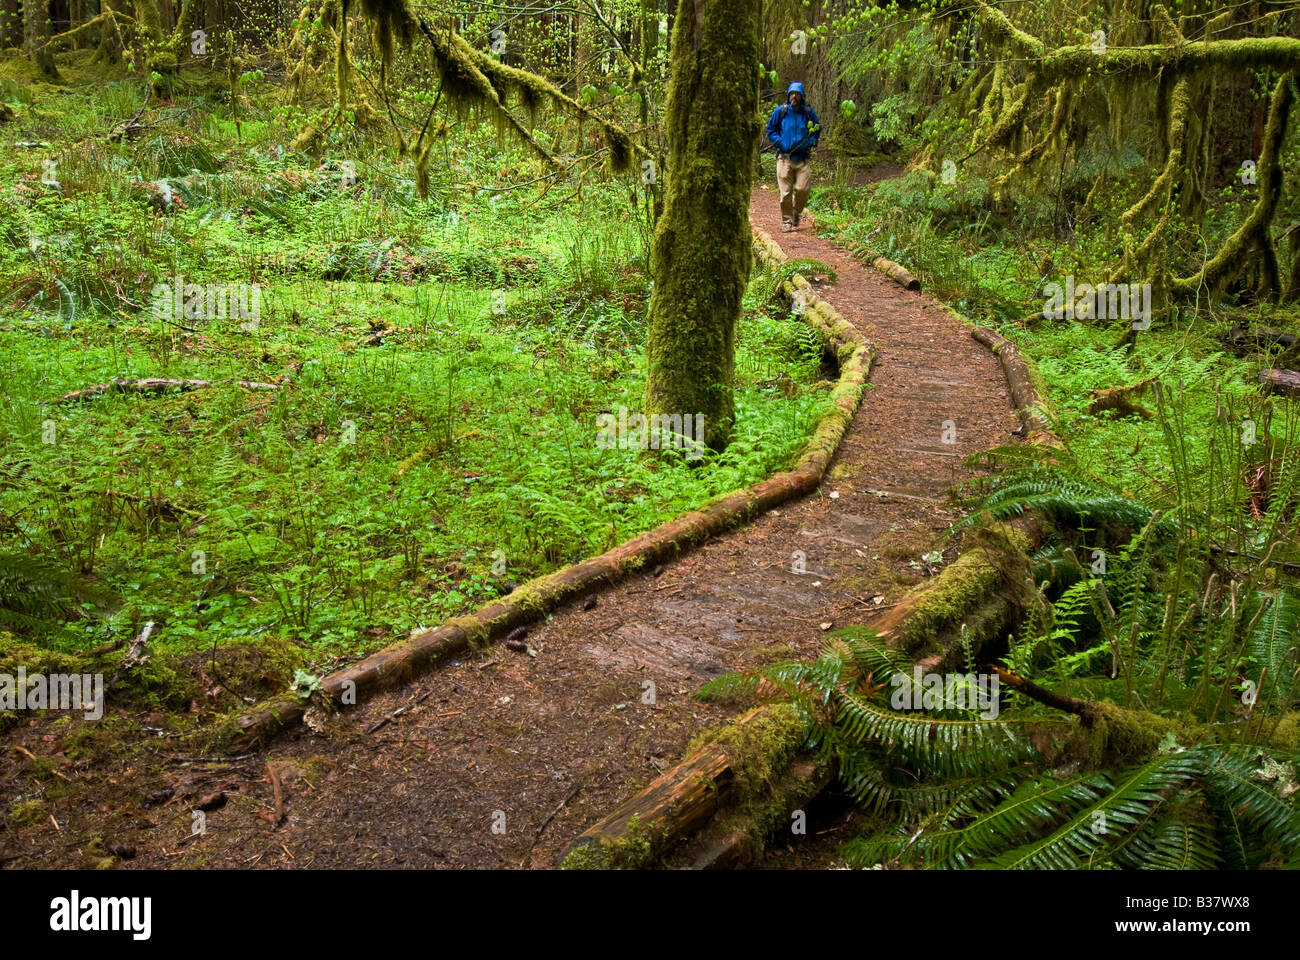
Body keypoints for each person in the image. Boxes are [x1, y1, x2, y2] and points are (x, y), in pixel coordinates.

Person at [766, 82, 820, 232]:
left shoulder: (808, 113)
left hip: (802, 159)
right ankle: (787, 221)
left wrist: (812, 141)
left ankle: (796, 212)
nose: (794, 96)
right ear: (788, 96)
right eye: (791, 94)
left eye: (797, 94)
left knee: (803, 189)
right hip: (784, 158)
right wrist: (780, 142)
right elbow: (770, 129)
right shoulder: (781, 112)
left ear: (802, 96)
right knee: (786, 192)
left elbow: (816, 129)